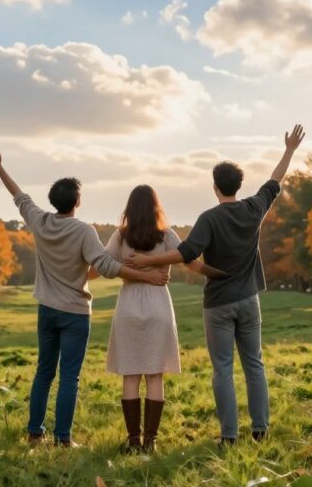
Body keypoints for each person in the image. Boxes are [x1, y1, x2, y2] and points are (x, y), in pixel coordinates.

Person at [0, 143, 170, 448]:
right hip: (75, 313)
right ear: (77, 202)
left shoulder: (38, 221)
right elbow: (106, 266)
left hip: (47, 309)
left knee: (44, 372)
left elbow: (18, 196)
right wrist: (147, 275)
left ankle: (34, 432)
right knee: (69, 377)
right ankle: (63, 439)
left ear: (53, 201)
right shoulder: (84, 231)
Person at [126, 124, 305, 445]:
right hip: (250, 300)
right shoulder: (254, 207)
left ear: (215, 187)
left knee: (223, 369)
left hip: (219, 304)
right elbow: (275, 181)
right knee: (254, 364)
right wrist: (289, 150)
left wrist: (147, 261)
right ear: (239, 185)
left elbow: (186, 253)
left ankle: (229, 437)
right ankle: (260, 430)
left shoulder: (209, 218)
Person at [92, 185, 225, 452]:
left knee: (130, 375)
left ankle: (133, 441)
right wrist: (222, 274)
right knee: (155, 376)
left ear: (129, 208)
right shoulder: (166, 236)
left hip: (129, 304)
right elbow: (192, 261)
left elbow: (103, 266)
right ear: (156, 207)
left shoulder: (120, 237)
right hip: (158, 305)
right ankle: (150, 442)